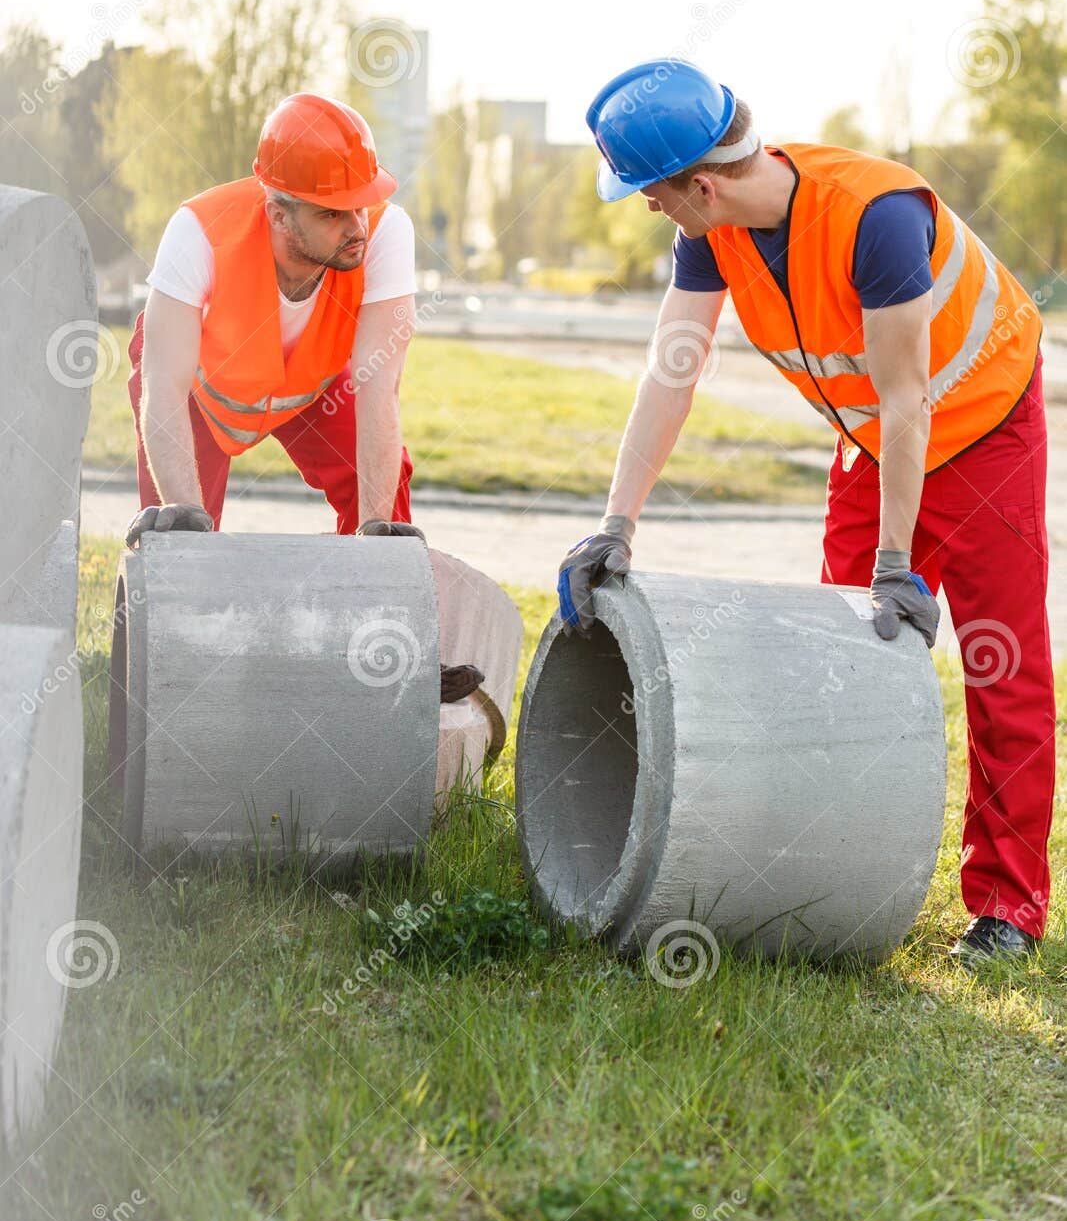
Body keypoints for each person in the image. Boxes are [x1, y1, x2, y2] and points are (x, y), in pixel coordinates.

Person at [558, 59, 1052, 963]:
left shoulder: (877, 217)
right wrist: (616, 521)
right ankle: (841, 870)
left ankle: (1007, 908)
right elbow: (672, 369)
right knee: (839, 657)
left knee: (1001, 658)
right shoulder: (712, 234)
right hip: (874, 442)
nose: (649, 210)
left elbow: (911, 398)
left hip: (982, 431)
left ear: (701, 185)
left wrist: (895, 563)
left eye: (653, 196)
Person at [126, 90, 480, 703]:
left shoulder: (386, 231)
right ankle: (166, 675)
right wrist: (183, 513)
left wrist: (377, 537)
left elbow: (377, 394)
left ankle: (384, 640)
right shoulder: (198, 231)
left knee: (384, 493)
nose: (357, 226)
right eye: (333, 214)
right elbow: (162, 389)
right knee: (177, 545)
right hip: (197, 396)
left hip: (314, 389)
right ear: (278, 211)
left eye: (362, 206)